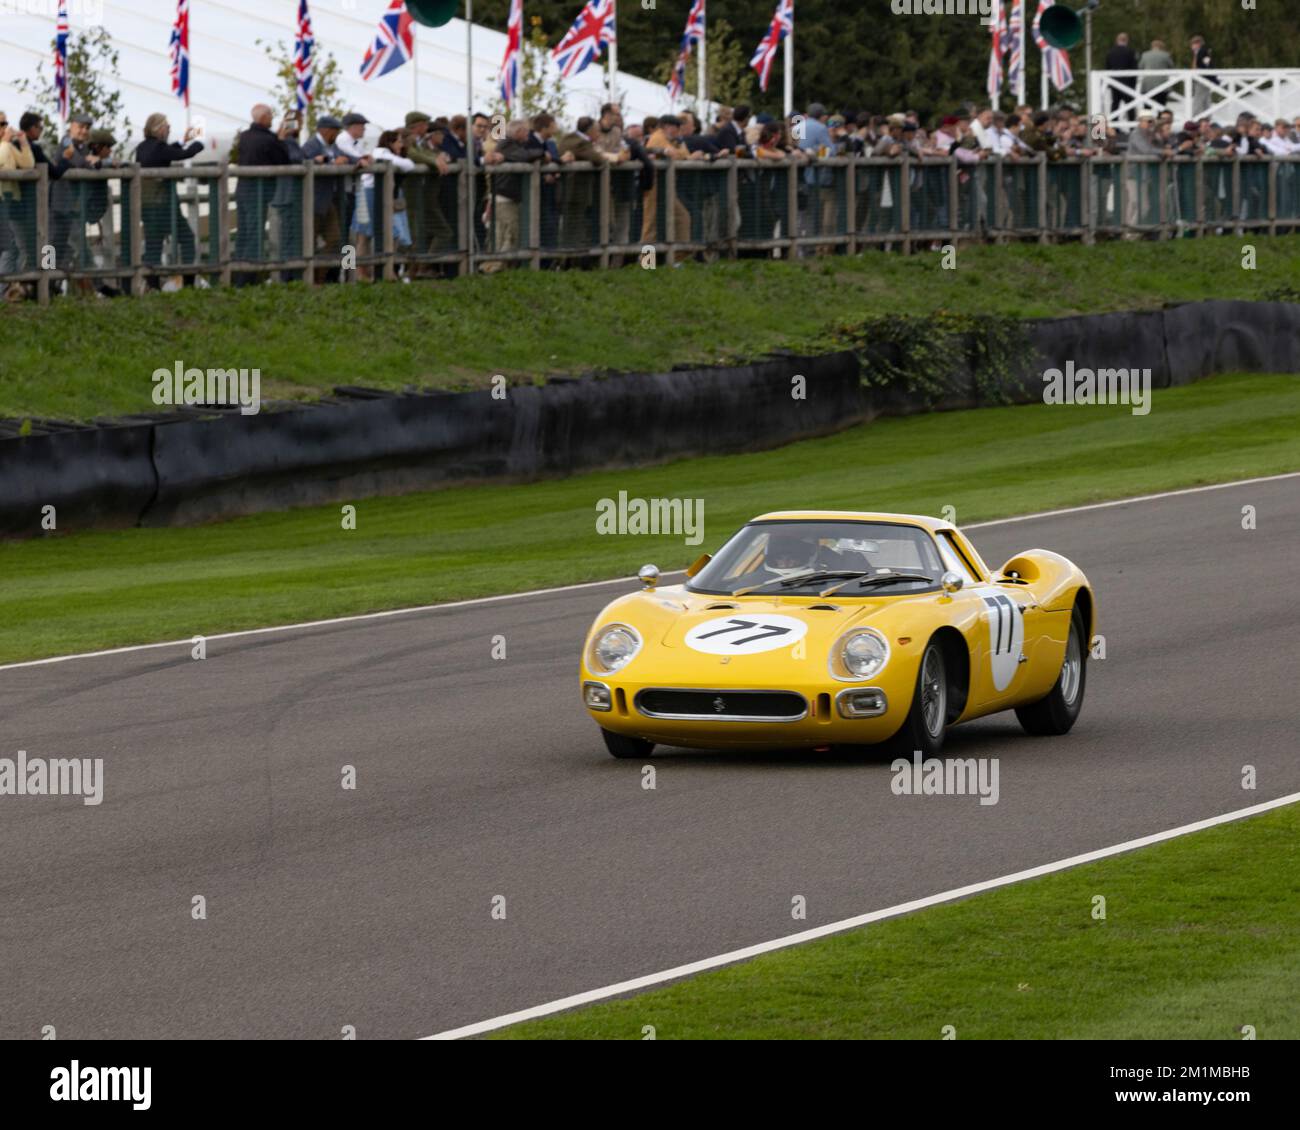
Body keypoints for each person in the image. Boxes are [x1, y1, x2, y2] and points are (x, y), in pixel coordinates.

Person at [136, 111, 204, 290]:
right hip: (164, 206)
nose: (169, 128)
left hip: (147, 206)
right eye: (167, 125)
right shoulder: (159, 148)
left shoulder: (143, 147)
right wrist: (198, 143)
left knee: (153, 246)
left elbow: (168, 151)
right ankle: (189, 284)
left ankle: (153, 287)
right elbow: (183, 154)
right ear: (158, 129)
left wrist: (183, 140)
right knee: (187, 239)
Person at [233, 104, 293, 285]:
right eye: (270, 116)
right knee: (254, 233)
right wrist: (281, 140)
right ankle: (247, 278)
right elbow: (284, 161)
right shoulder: (269, 139)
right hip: (260, 192)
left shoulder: (244, 136)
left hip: (243, 189)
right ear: (264, 117)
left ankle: (239, 275)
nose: (272, 119)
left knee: (244, 233)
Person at [301, 114, 350, 282]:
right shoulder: (310, 146)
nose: (336, 134)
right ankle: (312, 277)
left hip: (331, 201)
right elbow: (305, 162)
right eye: (335, 131)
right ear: (327, 130)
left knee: (337, 239)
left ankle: (321, 275)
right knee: (310, 241)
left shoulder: (333, 146)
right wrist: (333, 163)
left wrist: (360, 160)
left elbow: (346, 156)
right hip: (313, 201)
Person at [0, 113, 35, 278]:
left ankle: (12, 289)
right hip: (3, 203)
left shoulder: (7, 146)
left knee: (16, 247)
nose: (4, 128)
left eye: (5, 123)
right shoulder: (4, 146)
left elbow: (28, 164)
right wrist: (6, 143)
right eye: (1, 124)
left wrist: (23, 142)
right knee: (9, 247)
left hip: (12, 202)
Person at [1105, 33, 1139, 117]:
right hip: (1128, 83)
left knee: (1115, 104)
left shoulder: (1110, 52)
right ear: (1127, 40)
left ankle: (1113, 125)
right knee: (1130, 105)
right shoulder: (1131, 52)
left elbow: (1107, 67)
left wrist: (1109, 83)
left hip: (1114, 82)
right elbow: (1134, 68)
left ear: (1117, 41)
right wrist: (1134, 83)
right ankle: (1132, 126)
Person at [1138, 40, 1174, 108]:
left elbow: (1140, 67)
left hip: (1148, 84)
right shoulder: (1166, 55)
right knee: (1161, 106)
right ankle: (1160, 118)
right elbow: (1171, 67)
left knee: (1147, 107)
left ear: (1152, 46)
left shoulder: (1145, 55)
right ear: (1161, 47)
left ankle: (1147, 118)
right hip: (1162, 84)